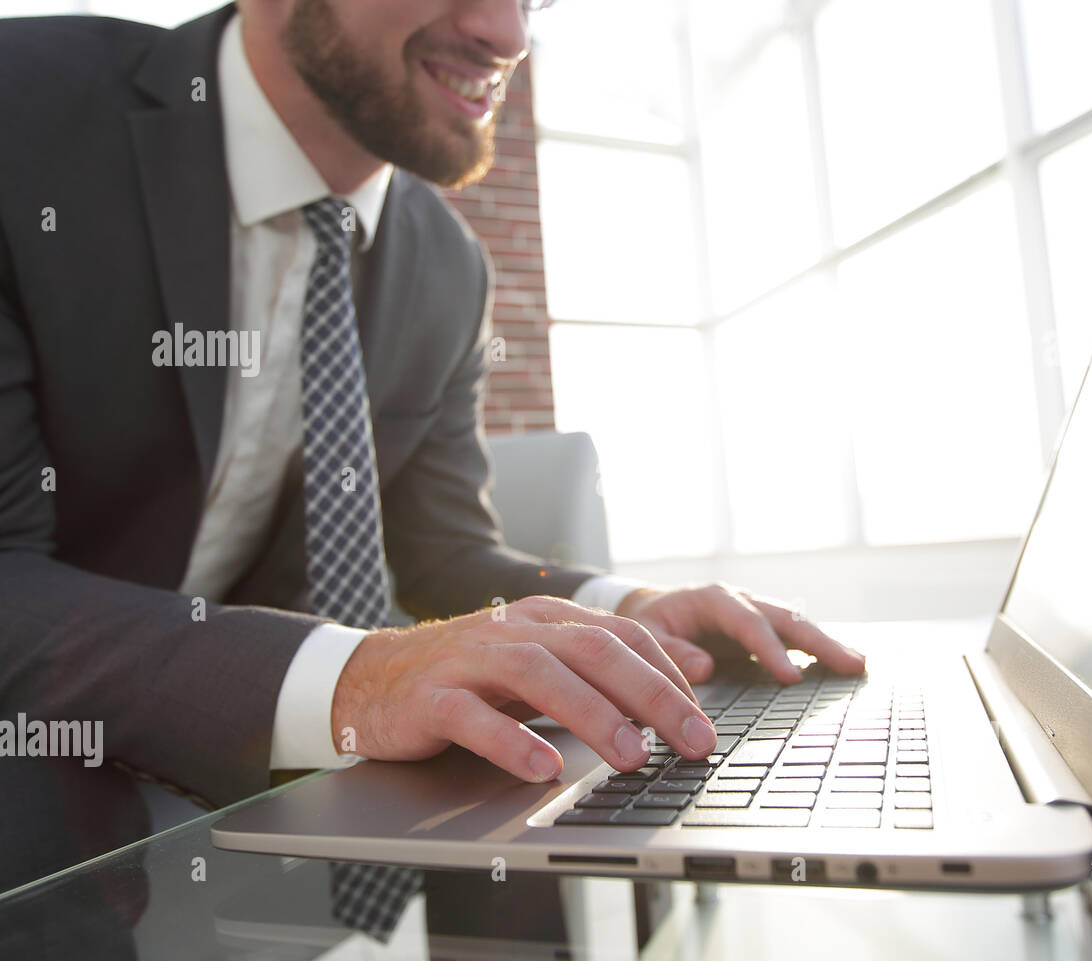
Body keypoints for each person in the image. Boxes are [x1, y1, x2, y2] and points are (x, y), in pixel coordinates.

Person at [0, 0, 864, 880]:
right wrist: (361, 680)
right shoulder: (24, 105)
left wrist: (621, 608)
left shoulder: (447, 265)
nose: (509, 36)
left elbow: (441, 551)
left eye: (535, 0)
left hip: (265, 787)